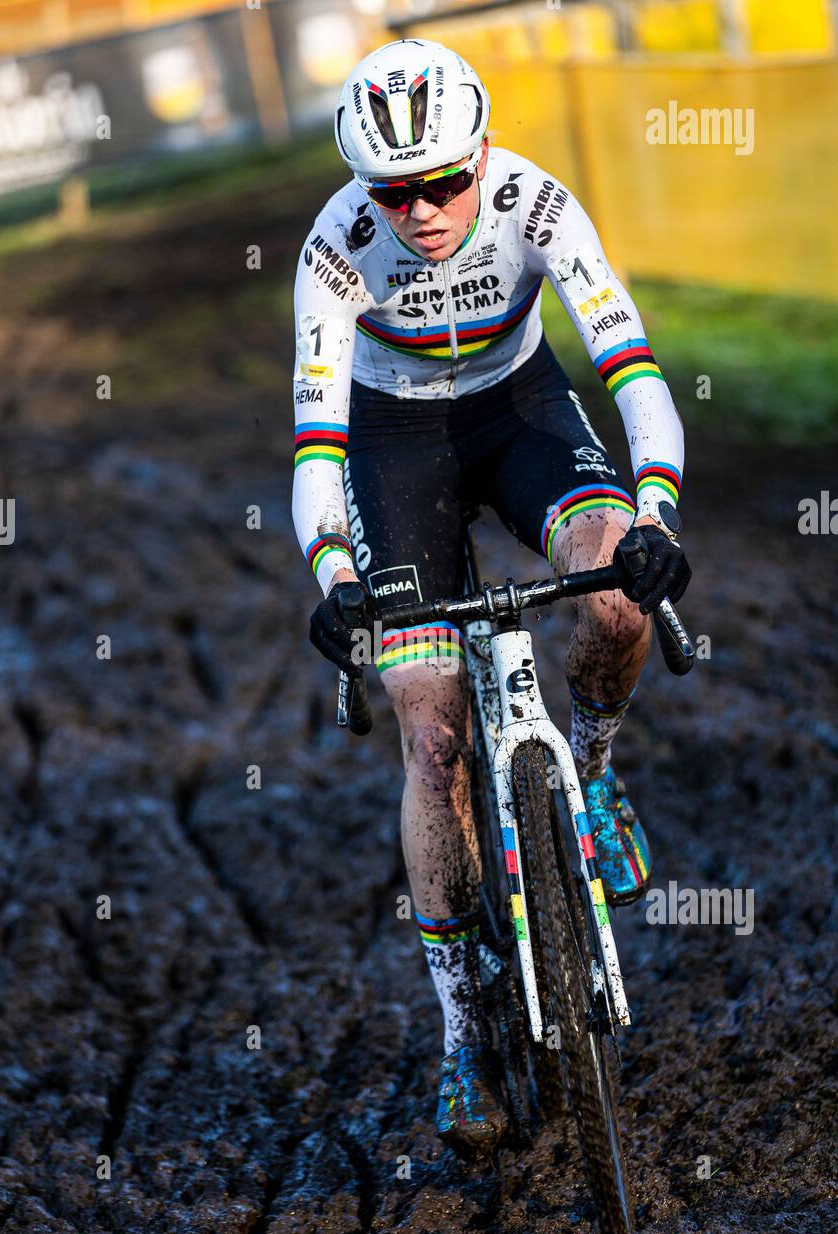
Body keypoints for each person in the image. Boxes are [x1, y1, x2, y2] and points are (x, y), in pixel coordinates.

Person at [292, 38, 690, 1150]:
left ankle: (595, 774)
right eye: (394, 190)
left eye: (444, 181)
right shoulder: (335, 247)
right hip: (392, 441)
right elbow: (315, 447)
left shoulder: (538, 203)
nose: (421, 210)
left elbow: (635, 373)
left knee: (617, 596)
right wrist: (332, 579)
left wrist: (654, 520)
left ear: (481, 153)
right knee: (427, 728)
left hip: (518, 407)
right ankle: (464, 1028)